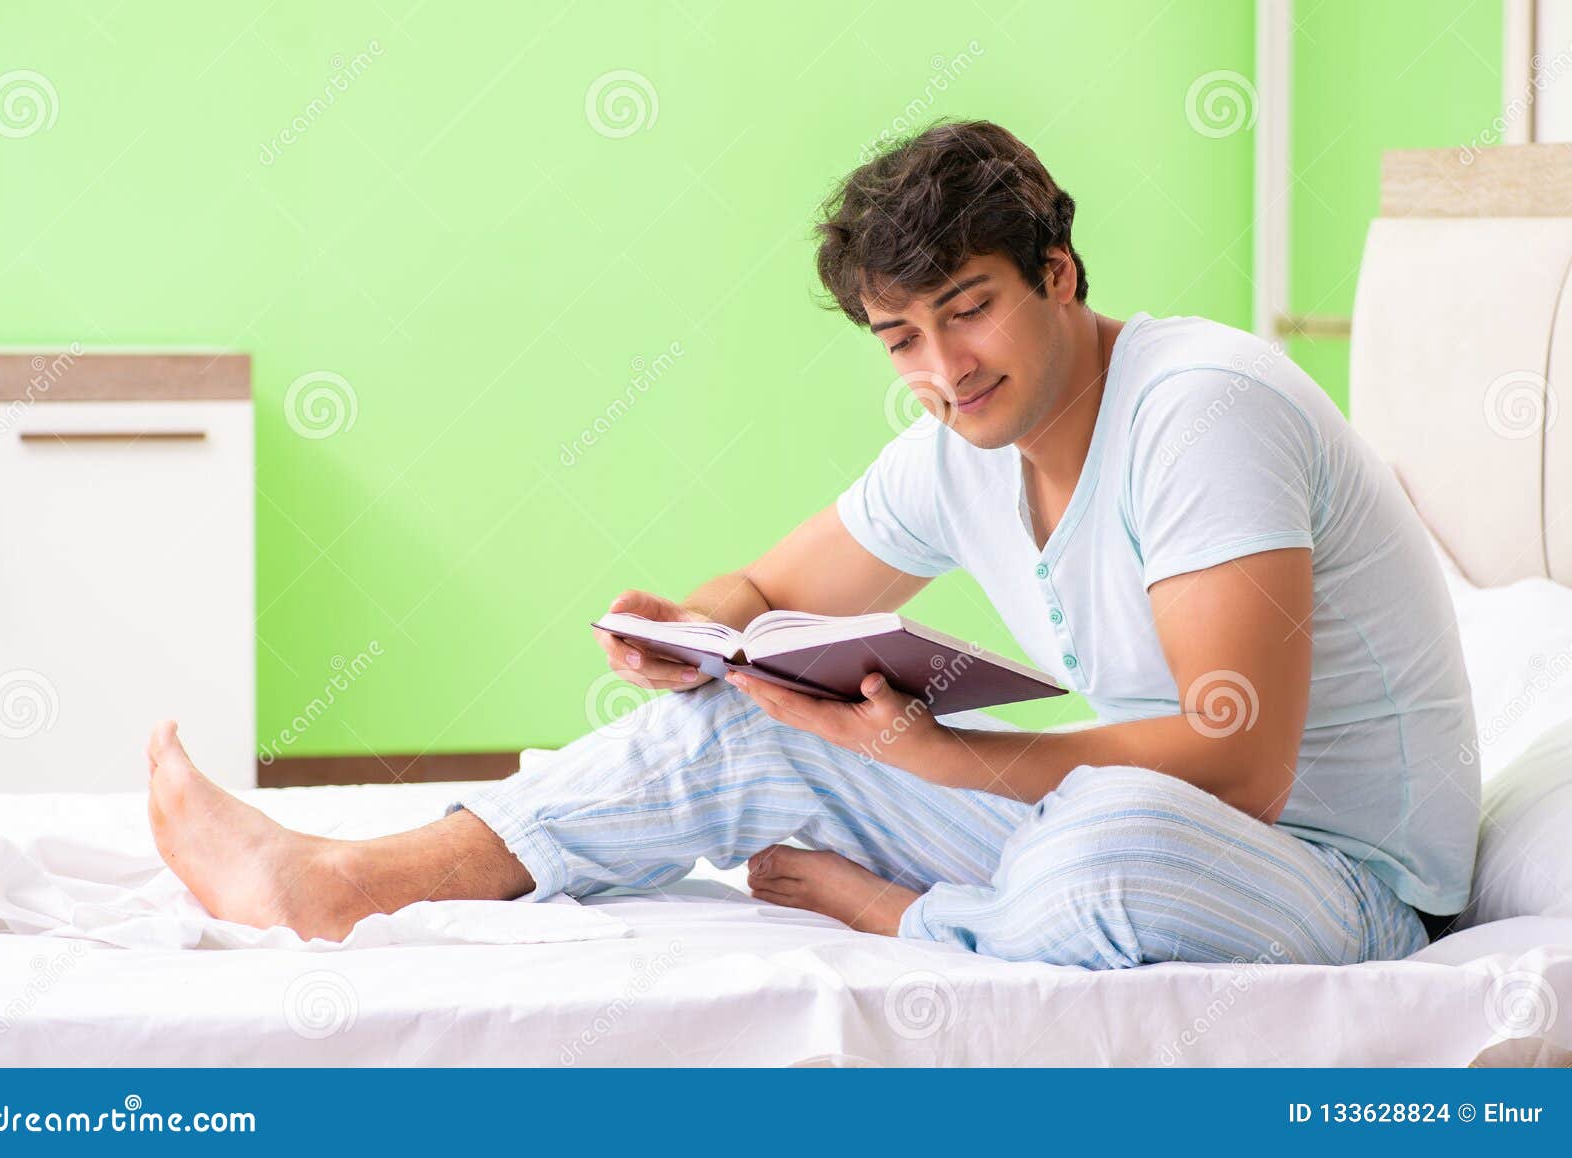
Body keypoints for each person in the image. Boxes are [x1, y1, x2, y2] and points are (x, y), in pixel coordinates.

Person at [144, 120, 1479, 968]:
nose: (945, 369)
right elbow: (776, 588)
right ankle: (346, 881)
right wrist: (696, 630)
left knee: (1108, 835)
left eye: (970, 311)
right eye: (902, 337)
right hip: (1160, 822)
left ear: (1058, 276)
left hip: (1335, 878)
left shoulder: (1204, 409)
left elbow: (1238, 760)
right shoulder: (963, 440)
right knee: (753, 722)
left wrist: (946, 762)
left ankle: (902, 913)